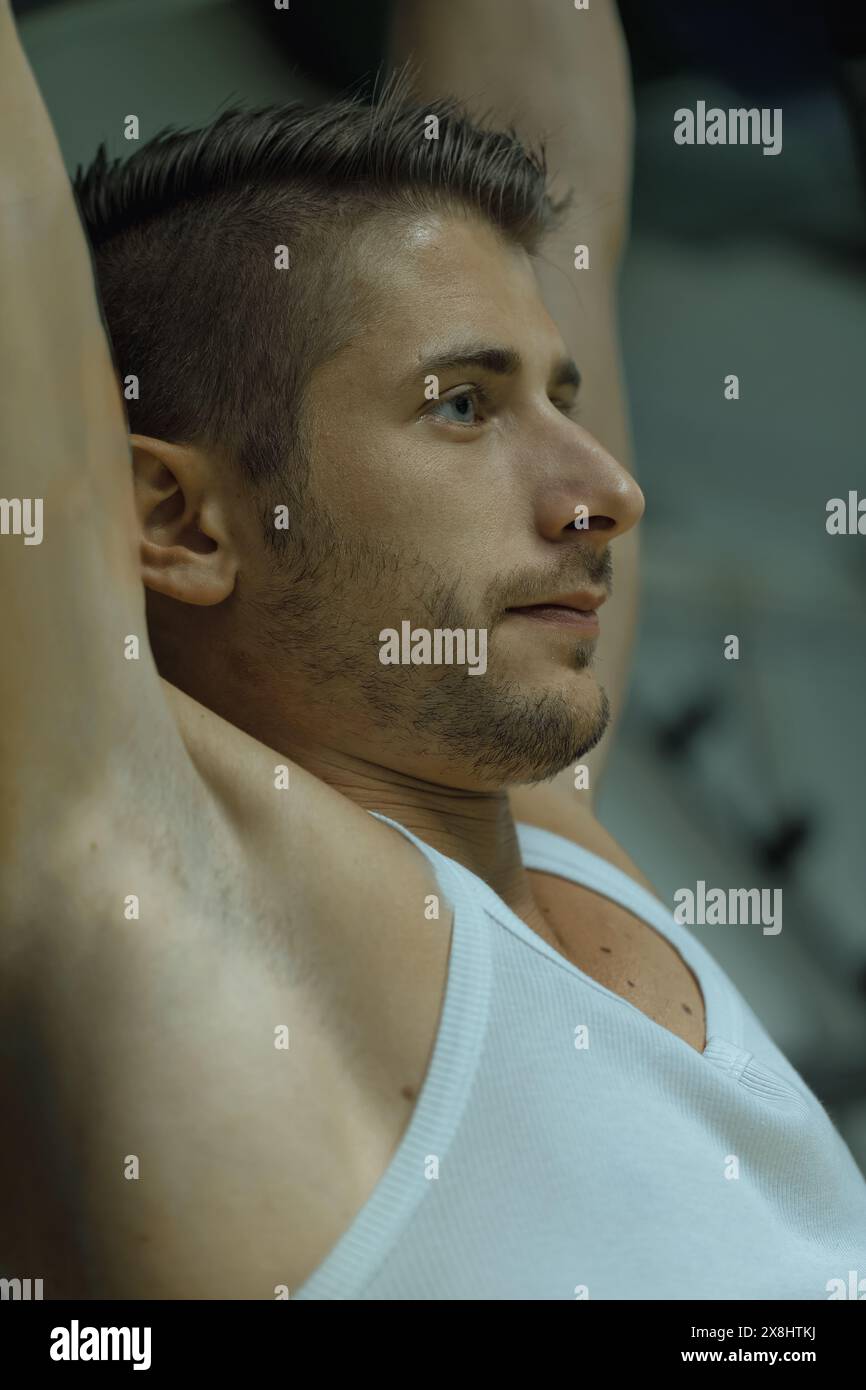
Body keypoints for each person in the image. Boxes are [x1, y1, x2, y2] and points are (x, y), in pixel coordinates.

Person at [2, 0, 864, 1301]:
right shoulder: (179, 895)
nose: (607, 492)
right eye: (463, 405)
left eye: (555, 398)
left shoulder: (542, 830)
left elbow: (532, 66)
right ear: (173, 518)